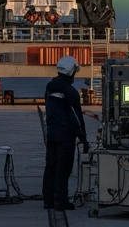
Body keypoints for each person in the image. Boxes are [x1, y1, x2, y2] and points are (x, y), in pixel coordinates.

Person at [42, 56, 89, 211]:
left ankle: (48, 199)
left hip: (52, 132)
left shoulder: (49, 87)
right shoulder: (70, 92)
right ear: (71, 72)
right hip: (66, 135)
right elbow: (76, 117)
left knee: (51, 166)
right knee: (63, 168)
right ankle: (61, 201)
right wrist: (83, 138)